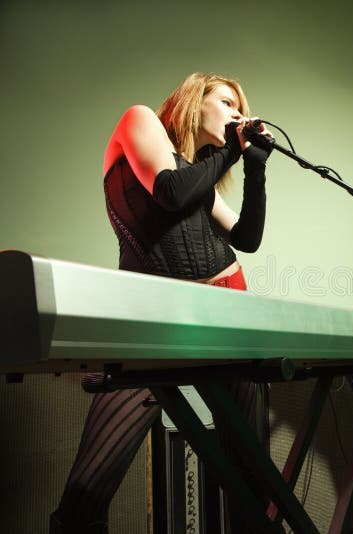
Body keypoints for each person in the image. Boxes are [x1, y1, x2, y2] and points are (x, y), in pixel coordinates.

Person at [49, 72, 273, 534]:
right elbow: (169, 191)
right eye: (228, 102)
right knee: (88, 490)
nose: (238, 114)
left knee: (251, 475)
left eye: (240, 107)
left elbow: (247, 238)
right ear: (195, 100)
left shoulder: (201, 181)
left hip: (224, 309)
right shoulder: (139, 120)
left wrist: (255, 167)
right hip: (151, 319)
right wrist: (234, 148)